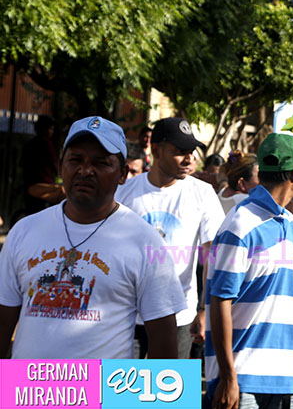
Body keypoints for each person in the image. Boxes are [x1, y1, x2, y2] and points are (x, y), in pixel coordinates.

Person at [0, 116, 184, 359]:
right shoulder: (24, 231)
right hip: (28, 391)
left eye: (101, 163)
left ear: (122, 174)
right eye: (75, 160)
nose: (85, 171)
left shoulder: (145, 241)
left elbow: (164, 342)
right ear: (60, 168)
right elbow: (3, 322)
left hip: (104, 394)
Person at [206, 132, 293, 409]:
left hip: (284, 377)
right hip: (242, 379)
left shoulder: (289, 223)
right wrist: (228, 377)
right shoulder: (240, 224)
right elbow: (219, 300)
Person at [116, 116, 224, 360]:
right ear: (156, 150)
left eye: (192, 152)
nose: (189, 159)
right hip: (127, 316)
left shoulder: (202, 193)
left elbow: (212, 257)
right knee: (121, 393)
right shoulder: (125, 193)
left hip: (179, 315)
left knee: (171, 393)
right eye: (179, 152)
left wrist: (204, 309)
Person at [20, 115, 64, 216]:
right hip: (43, 186)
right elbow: (54, 165)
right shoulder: (46, 144)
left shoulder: (29, 144)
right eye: (50, 128)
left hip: (31, 187)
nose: (51, 131)